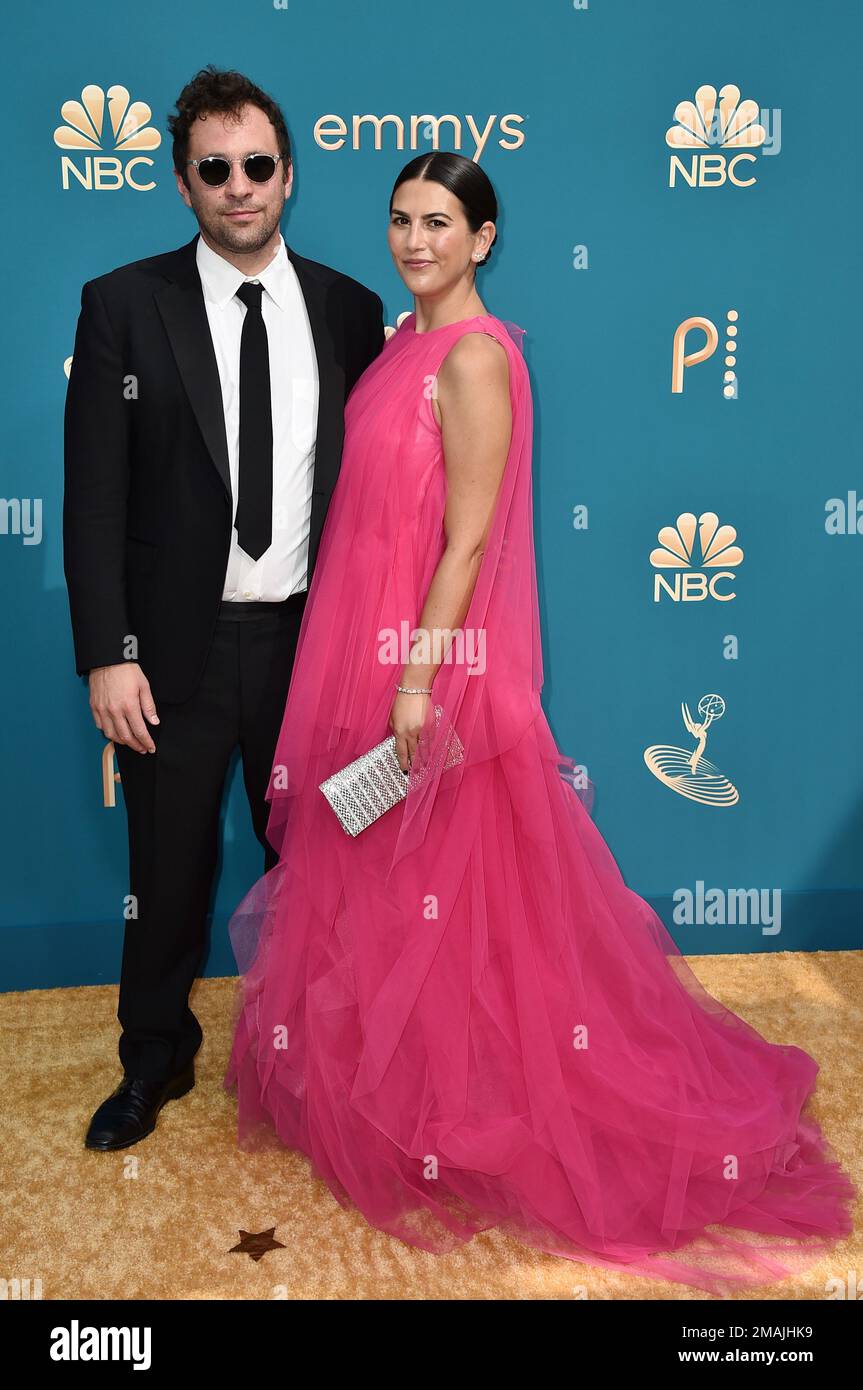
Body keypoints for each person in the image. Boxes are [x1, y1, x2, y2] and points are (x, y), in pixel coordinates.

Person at [223, 151, 855, 1296]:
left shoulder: (470, 359)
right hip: (373, 653)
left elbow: (466, 540)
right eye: (400, 220)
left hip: (435, 670)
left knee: (468, 904)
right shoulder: (400, 349)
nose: (413, 241)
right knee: (382, 889)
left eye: (439, 223)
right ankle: (412, 1094)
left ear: (484, 237)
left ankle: (484, 1107)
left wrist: (417, 680)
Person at [63, 66, 384, 1151]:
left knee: (323, 872)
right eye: (214, 170)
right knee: (166, 872)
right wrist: (108, 653)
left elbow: (382, 499)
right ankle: (152, 1061)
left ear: (287, 174)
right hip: (173, 655)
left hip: (312, 645)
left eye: (256, 165)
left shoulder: (349, 309)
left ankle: (321, 1069)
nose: (238, 187)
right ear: (182, 184)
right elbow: (94, 496)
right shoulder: (121, 305)